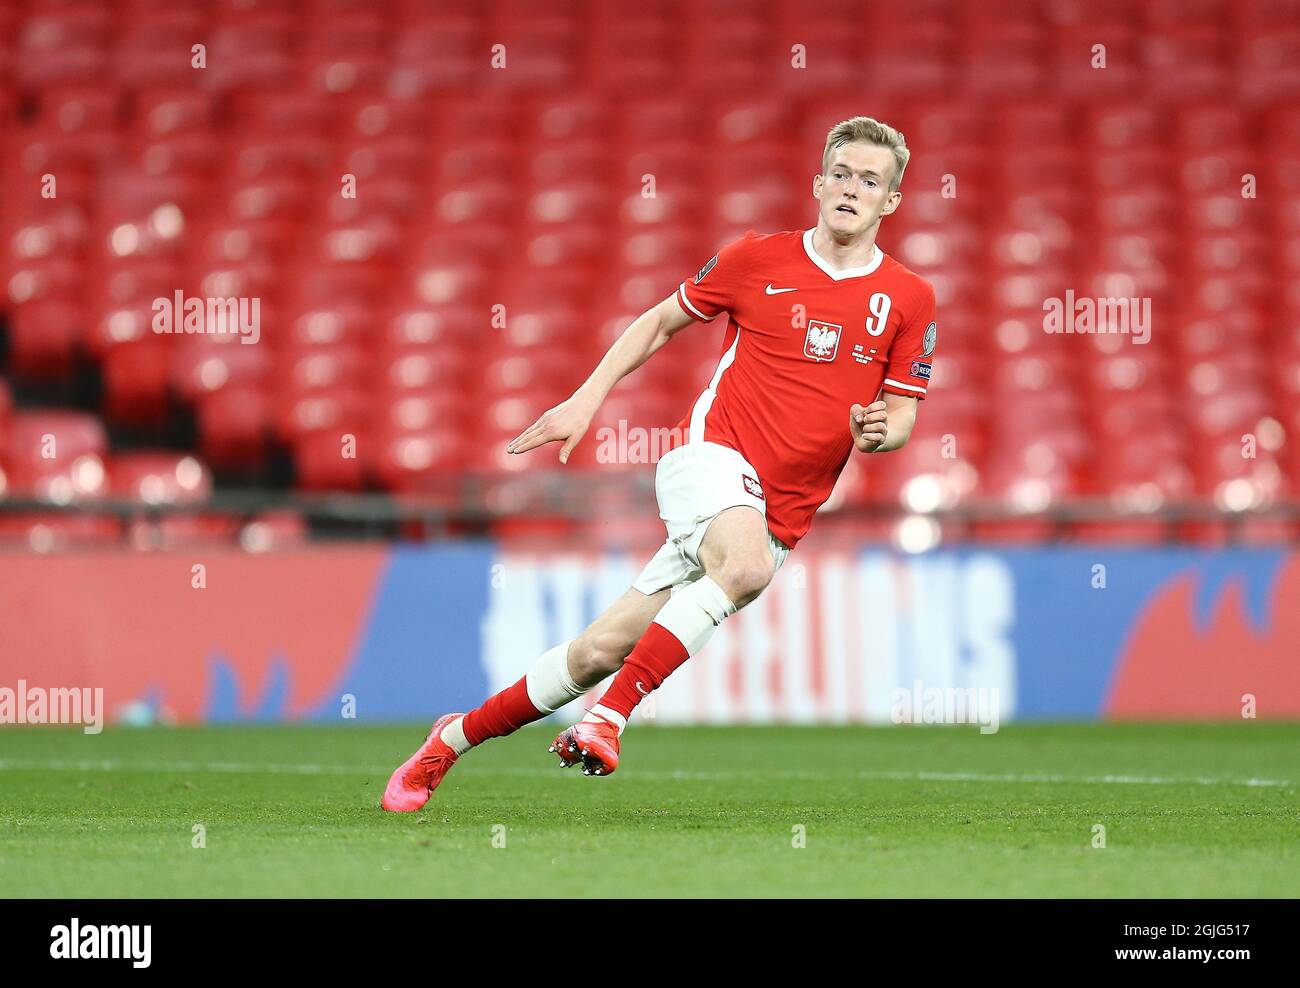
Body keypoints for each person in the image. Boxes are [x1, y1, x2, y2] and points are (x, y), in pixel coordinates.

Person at [382, 116, 937, 812]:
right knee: (743, 569)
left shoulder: (911, 299)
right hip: (707, 455)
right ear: (819, 182)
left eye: (871, 181)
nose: (853, 189)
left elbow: (903, 417)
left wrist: (879, 431)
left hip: (779, 511)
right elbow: (660, 321)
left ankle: (449, 741)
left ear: (891, 202)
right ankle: (607, 720)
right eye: (843, 174)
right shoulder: (755, 258)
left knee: (596, 652)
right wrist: (587, 399)